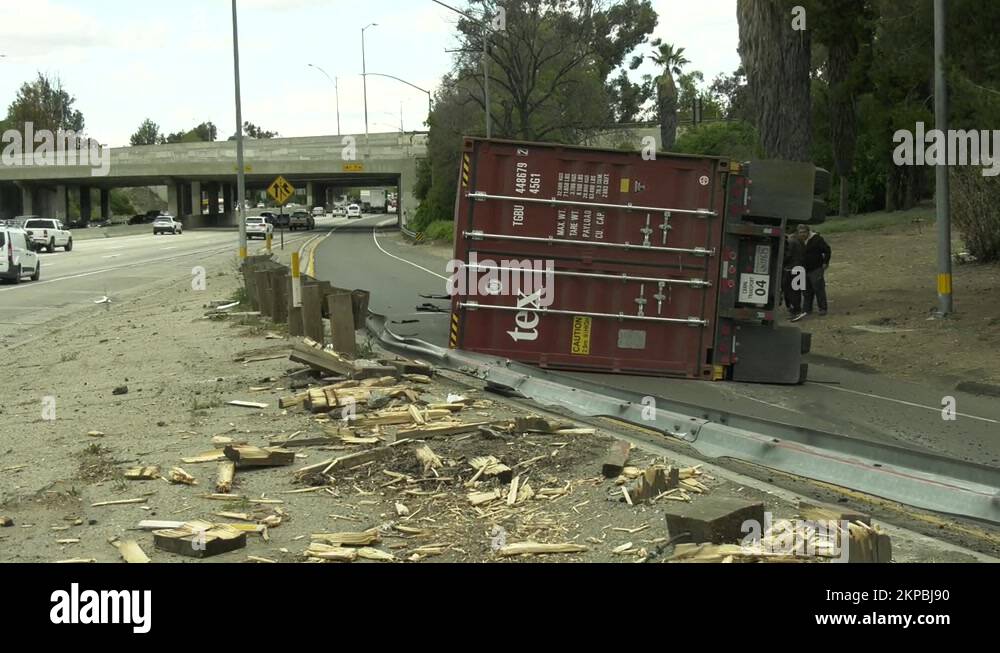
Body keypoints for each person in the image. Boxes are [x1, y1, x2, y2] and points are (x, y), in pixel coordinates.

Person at [795, 224, 832, 319]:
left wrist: (825, 262)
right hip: (804, 269)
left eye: (804, 232)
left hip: (816, 268)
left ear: (808, 232)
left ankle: (822, 308)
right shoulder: (798, 241)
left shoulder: (817, 239)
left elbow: (827, 250)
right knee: (806, 290)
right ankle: (807, 309)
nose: (802, 234)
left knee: (818, 289)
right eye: (800, 232)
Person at [782, 232, 805, 318]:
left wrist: (781, 262)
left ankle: (794, 310)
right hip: (799, 268)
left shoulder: (790, 241)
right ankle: (796, 309)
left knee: (789, 290)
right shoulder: (799, 241)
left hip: (791, 269)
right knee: (796, 290)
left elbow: (788, 255)